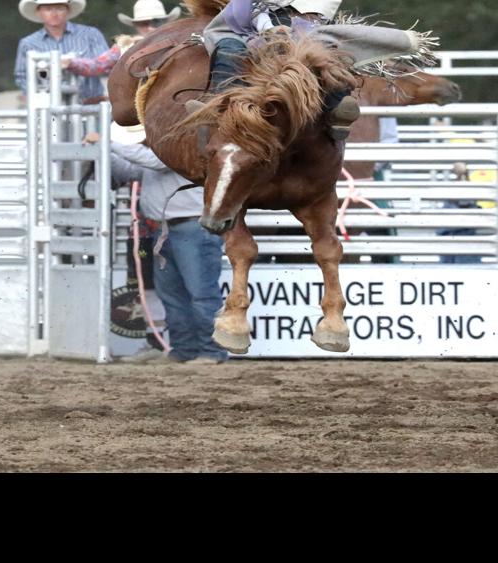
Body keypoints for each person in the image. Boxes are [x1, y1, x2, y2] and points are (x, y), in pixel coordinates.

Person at [105, 135, 231, 365]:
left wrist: (107, 141)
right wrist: (101, 151)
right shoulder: (159, 153)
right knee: (173, 294)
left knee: (199, 293)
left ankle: (211, 351)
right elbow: (130, 170)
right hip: (166, 230)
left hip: (191, 227)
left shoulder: (178, 149)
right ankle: (184, 348)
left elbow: (151, 161)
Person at [192, 0, 361, 138]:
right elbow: (243, 10)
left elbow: (318, 9)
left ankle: (335, 108)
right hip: (249, 22)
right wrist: (265, 26)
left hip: (308, 19)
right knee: (229, 47)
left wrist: (295, 27)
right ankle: (221, 106)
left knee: (326, 51)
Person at [59, 0, 183, 80]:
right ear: (136, 25)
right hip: (135, 110)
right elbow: (98, 65)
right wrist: (71, 62)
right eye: (144, 23)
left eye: (156, 22)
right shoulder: (124, 46)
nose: (150, 27)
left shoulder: (178, 43)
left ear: (165, 22)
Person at [14, 1, 109, 104]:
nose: (54, 14)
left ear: (68, 10)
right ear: (38, 12)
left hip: (90, 106)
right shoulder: (28, 43)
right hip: (48, 109)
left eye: (59, 8)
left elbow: (106, 65)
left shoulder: (90, 35)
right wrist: (38, 97)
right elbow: (22, 76)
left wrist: (75, 64)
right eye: (48, 9)